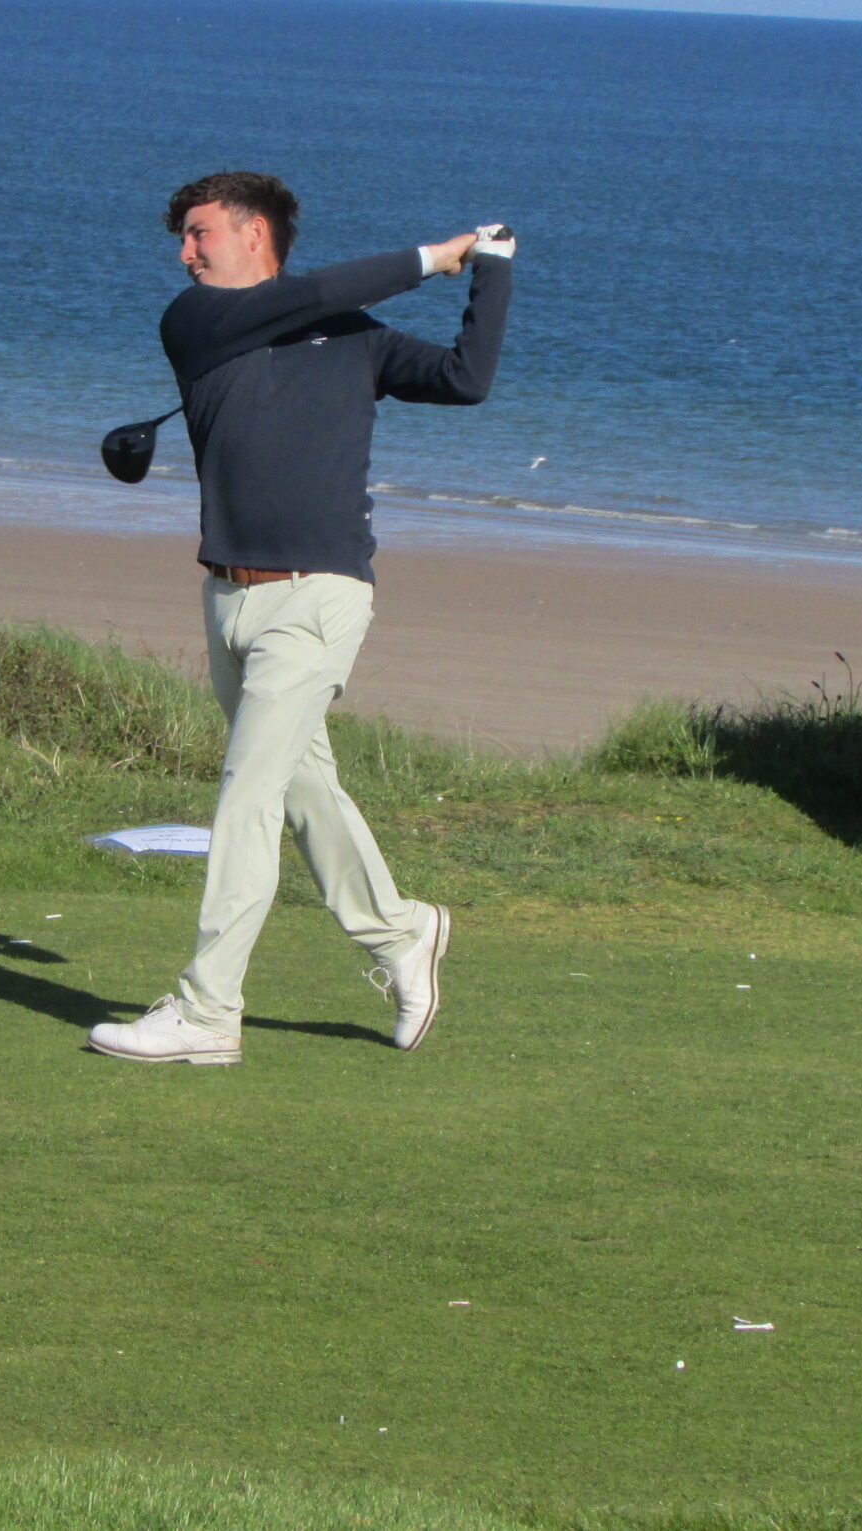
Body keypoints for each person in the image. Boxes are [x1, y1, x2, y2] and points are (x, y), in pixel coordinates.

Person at [87, 172, 512, 1065]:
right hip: (228, 598)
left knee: (247, 795)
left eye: (199, 234)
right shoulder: (194, 323)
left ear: (251, 234)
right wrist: (429, 257)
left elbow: (464, 378)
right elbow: (312, 293)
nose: (184, 253)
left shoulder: (353, 338)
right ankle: (402, 934)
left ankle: (209, 1010)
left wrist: (487, 273)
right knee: (304, 789)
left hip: (320, 596)